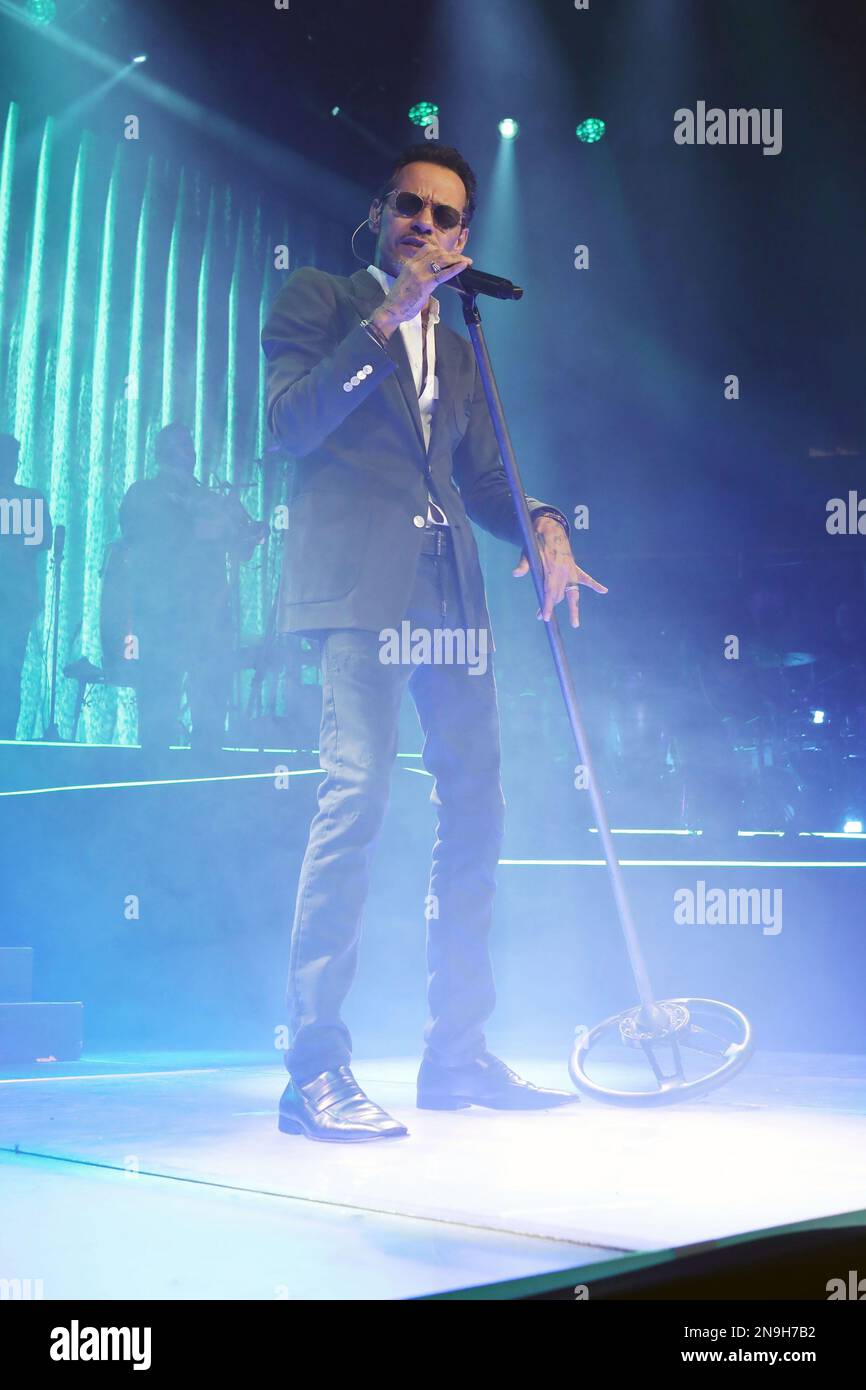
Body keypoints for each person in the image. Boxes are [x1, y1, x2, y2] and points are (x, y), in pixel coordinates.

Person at [262, 143, 607, 1142]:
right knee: (356, 795)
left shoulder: (460, 349)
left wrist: (541, 520)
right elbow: (287, 424)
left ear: (462, 239)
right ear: (379, 214)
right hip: (359, 585)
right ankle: (313, 1066)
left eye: (443, 216)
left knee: (477, 808)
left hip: (449, 592)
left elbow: (486, 480)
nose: (423, 223)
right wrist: (387, 317)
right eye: (407, 206)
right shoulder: (323, 299)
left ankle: (455, 1052)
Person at [117, 423, 261, 753]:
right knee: (156, 712)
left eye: (191, 445)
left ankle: (203, 782)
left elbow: (243, 548)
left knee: (210, 715)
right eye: (182, 445)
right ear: (162, 452)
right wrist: (202, 527)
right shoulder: (143, 493)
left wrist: (248, 532)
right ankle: (154, 782)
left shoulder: (210, 499)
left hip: (207, 618)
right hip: (161, 616)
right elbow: (138, 534)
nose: (191, 452)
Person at [0, 433, 53, 738]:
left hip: (16, 603)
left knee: (8, 674)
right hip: (18, 601)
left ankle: (5, 740)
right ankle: (5, 741)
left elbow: (42, 540)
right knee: (8, 674)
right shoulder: (29, 499)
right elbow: (39, 540)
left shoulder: (30, 497)